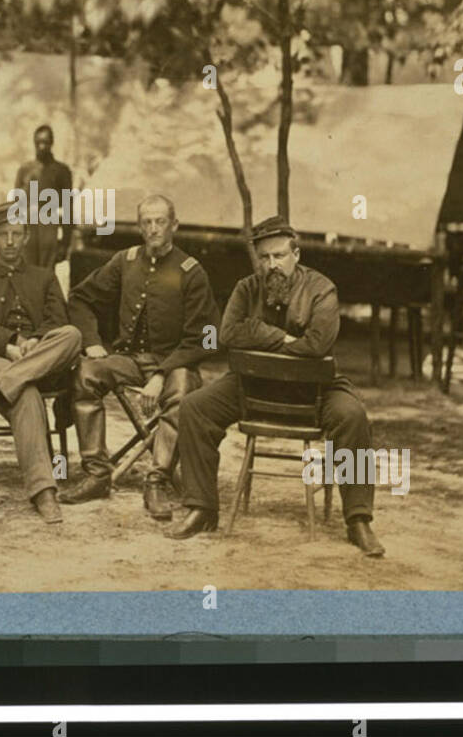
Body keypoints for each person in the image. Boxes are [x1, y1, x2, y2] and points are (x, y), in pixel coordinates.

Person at [167, 217, 386, 556]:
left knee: (353, 415)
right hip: (252, 386)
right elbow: (227, 334)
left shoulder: (322, 289)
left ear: (296, 254)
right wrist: (282, 337)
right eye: (264, 258)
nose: (272, 265)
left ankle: (359, 520)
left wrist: (258, 335)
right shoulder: (246, 288)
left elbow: (317, 346)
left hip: (315, 389)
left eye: (279, 256)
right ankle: (202, 508)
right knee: (195, 407)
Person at [61, 194, 220, 519]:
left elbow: (207, 338)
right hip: (130, 360)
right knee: (86, 373)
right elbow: (79, 298)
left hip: (176, 363)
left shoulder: (191, 271)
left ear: (174, 225)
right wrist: (91, 341)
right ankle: (97, 473)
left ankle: (157, 480)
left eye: (160, 221)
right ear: (139, 227)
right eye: (146, 222)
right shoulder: (126, 260)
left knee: (181, 392)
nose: (153, 228)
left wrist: (162, 373)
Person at [0, 203, 83, 524]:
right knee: (25, 393)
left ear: (26, 236)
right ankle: (44, 492)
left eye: (16, 234)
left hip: (43, 359)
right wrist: (10, 343)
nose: (10, 241)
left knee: (71, 334)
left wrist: (35, 343)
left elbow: (58, 320)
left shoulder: (45, 277)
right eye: (3, 235)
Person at [13, 124, 74, 268]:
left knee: (45, 277)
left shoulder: (61, 171)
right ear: (34, 143)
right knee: (25, 277)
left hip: (49, 233)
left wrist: (65, 242)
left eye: (45, 142)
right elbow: (15, 206)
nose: (41, 146)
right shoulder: (25, 170)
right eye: (38, 142)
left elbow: (67, 208)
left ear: (51, 143)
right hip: (28, 233)